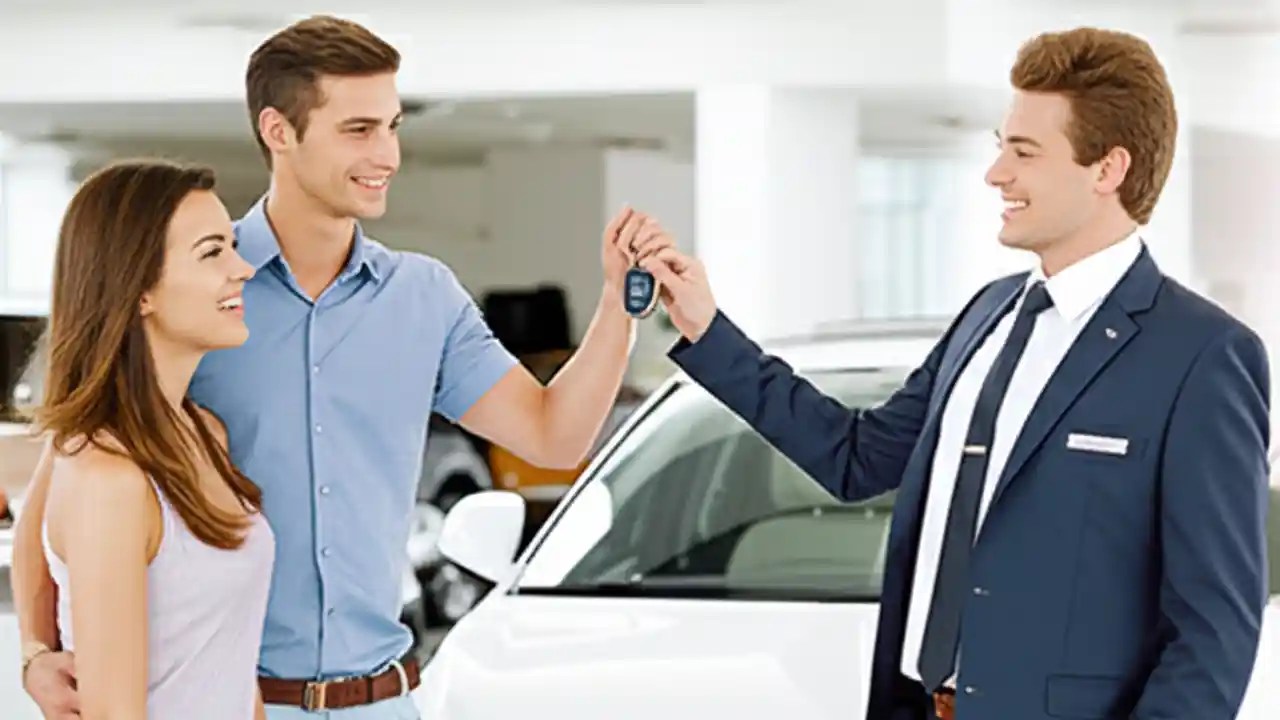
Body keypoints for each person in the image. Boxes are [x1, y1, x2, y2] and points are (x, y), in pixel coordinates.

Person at [15, 15, 676, 719]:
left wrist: (618, 307)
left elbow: (554, 435)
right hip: (236, 700)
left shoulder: (424, 298)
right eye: (358, 130)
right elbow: (59, 501)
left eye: (392, 127)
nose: (386, 154)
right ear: (279, 131)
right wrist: (36, 652)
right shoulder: (199, 291)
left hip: (384, 700)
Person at [639, 27, 1270, 720]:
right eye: (1000, 147)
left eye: (1023, 152)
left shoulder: (1203, 357)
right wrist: (707, 330)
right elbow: (856, 457)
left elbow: (1213, 635)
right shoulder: (989, 314)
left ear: (1107, 169)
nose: (996, 173)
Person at [21, 159, 273, 719]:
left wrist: (33, 653)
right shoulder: (106, 476)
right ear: (139, 292)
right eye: (212, 253)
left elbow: (229, 665)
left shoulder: (207, 433)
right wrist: (37, 657)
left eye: (233, 247)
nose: (243, 269)